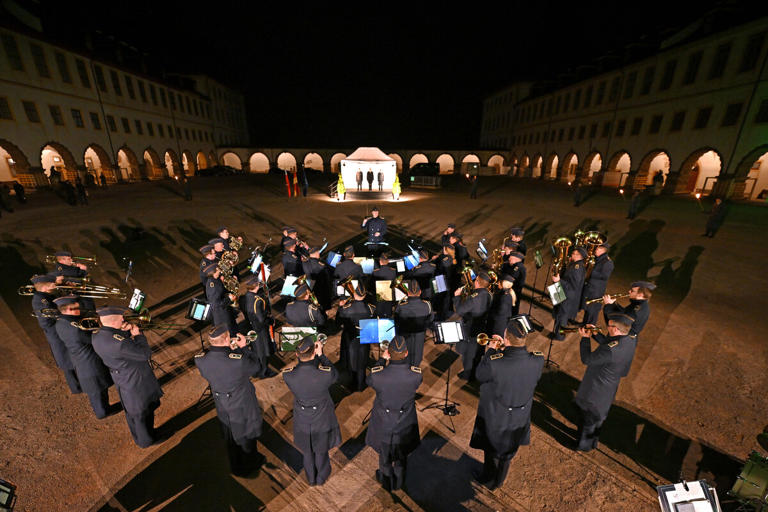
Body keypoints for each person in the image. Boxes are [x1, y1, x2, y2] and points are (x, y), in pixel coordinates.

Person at [470, 315, 544, 490]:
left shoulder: (495, 363)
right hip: (520, 416)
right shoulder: (538, 359)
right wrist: (505, 351)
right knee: (508, 453)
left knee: (492, 452)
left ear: (506, 338)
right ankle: (499, 481)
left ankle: (488, 479)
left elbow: (480, 375)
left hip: (497, 416)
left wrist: (490, 351)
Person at [195, 325, 266, 476]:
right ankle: (250, 464)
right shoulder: (238, 361)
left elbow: (219, 364)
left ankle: (235, 465)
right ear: (227, 339)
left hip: (221, 403)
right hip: (241, 402)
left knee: (230, 436)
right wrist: (244, 348)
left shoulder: (200, 360)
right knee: (247, 435)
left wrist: (229, 350)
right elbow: (256, 367)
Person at [92, 306, 163, 448]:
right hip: (134, 378)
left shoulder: (97, 335)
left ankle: (139, 437)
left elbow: (115, 341)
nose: (124, 320)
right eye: (122, 319)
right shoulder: (119, 343)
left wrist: (125, 331)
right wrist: (138, 335)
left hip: (121, 376)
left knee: (131, 410)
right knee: (141, 411)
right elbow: (144, 354)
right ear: (114, 321)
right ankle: (146, 441)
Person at [282, 335, 341, 486]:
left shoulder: (288, 375)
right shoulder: (325, 374)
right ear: (314, 353)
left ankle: (311, 478)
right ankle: (321, 477)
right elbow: (335, 375)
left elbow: (302, 372)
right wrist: (322, 356)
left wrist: (312, 358)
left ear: (296, 354)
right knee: (321, 450)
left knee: (307, 451)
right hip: (321, 418)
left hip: (302, 418)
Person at [366, 336, 422, 491]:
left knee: (384, 458)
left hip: (384, 422)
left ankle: (386, 482)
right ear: (406, 353)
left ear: (388, 353)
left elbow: (369, 380)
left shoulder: (377, 376)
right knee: (401, 457)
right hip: (405, 422)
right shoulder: (416, 375)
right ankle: (399, 483)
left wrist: (381, 360)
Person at [574, 314, 637, 451]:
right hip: (609, 387)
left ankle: (583, 447)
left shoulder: (611, 350)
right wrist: (596, 334)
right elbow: (610, 342)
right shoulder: (630, 339)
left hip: (596, 389)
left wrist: (585, 338)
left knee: (588, 420)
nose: (607, 327)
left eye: (609, 326)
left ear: (616, 329)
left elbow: (587, 359)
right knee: (598, 419)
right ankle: (593, 442)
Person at [54, 295, 112, 418]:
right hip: (89, 363)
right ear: (68, 309)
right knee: (97, 389)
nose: (80, 310)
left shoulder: (61, 322)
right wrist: (102, 326)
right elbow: (93, 339)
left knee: (95, 390)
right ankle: (102, 413)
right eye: (77, 308)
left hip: (80, 360)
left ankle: (102, 409)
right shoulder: (75, 329)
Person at [30, 274, 80, 394]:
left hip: (58, 331)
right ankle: (76, 387)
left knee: (68, 358)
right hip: (56, 334)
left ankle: (77, 385)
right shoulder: (41, 301)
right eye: (52, 284)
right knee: (65, 360)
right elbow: (45, 323)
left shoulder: (45, 296)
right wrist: (61, 318)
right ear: (45, 287)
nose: (55, 285)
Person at [336, 282, 376, 391]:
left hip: (351, 338)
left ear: (354, 294)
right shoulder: (371, 308)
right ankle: (361, 383)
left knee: (352, 360)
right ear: (364, 295)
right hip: (365, 337)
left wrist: (340, 307)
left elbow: (338, 322)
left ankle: (353, 384)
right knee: (363, 360)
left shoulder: (346, 309)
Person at [453, 272, 493, 379]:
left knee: (469, 354)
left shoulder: (474, 298)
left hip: (471, 328)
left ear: (478, 282)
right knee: (477, 352)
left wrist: (457, 297)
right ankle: (474, 370)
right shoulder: (489, 294)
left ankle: (468, 374)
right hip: (482, 326)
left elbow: (460, 311)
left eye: (476, 280)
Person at [239, 275, 276, 377]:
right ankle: (263, 372)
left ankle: (258, 369)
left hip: (250, 326)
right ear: (256, 285)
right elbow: (261, 319)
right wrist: (270, 321)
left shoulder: (243, 298)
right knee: (263, 351)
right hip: (259, 329)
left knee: (256, 350)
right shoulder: (257, 300)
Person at [393, 279, 434, 367]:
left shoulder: (401, 306)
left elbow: (396, 321)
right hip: (420, 335)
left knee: (405, 353)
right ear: (420, 292)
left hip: (405, 335)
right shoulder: (427, 305)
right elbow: (431, 319)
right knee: (417, 355)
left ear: (408, 293)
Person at [550, 247, 586, 341]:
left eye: (573, 254)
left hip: (567, 295)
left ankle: (559, 336)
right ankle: (556, 333)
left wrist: (559, 281)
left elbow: (573, 285)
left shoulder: (577, 268)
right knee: (558, 313)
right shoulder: (575, 264)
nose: (571, 255)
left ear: (579, 256)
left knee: (562, 317)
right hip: (563, 291)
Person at [580, 243, 614, 325]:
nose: (595, 250)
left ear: (603, 250)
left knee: (592, 312)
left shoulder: (608, 262)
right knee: (587, 309)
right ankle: (584, 325)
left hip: (596, 291)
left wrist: (590, 271)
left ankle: (589, 328)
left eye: (598, 249)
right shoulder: (597, 258)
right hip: (590, 288)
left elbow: (605, 276)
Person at [203, 262, 236, 335]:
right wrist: (229, 299)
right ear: (214, 271)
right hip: (221, 316)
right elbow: (216, 304)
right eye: (218, 269)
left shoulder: (215, 279)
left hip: (224, 310)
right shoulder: (212, 286)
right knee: (229, 334)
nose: (220, 270)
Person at [302, 246, 333, 310]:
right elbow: (329, 275)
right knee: (325, 304)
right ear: (316, 253)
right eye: (318, 252)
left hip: (311, 286)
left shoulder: (305, 263)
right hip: (322, 288)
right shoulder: (320, 265)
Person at [499, 251, 526, 316]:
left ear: (515, 259)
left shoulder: (519, 267)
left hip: (515, 290)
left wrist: (501, 275)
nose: (509, 259)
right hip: (513, 289)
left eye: (510, 258)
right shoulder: (515, 265)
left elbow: (511, 278)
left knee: (512, 307)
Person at [372, 252, 397, 318]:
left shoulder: (375, 272)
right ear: (388, 261)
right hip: (390, 297)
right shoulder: (393, 271)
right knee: (389, 313)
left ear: (380, 262)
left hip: (379, 297)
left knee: (379, 314)